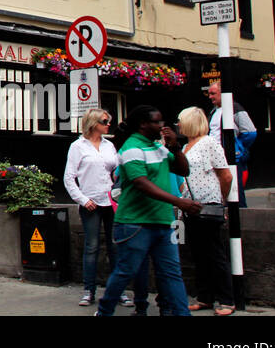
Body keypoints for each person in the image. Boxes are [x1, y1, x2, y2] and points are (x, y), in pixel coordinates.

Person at [95, 105, 201, 317]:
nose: (162, 126)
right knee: (126, 271)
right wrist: (179, 202)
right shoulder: (132, 148)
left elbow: (183, 169)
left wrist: (175, 147)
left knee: (172, 274)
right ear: (143, 124)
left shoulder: (159, 148)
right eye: (157, 121)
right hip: (135, 223)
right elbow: (141, 183)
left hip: (163, 222)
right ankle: (105, 310)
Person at [177, 105, 235, 315]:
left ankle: (227, 299)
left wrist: (222, 200)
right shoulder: (184, 147)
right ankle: (205, 297)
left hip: (208, 205)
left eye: (181, 120)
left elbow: (225, 175)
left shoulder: (210, 143)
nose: (178, 124)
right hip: (190, 207)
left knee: (214, 254)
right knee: (199, 255)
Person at [64, 108, 123, 307]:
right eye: (105, 121)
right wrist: (82, 199)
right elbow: (69, 178)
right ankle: (89, 290)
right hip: (91, 203)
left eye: (109, 121)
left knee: (115, 246)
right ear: (93, 123)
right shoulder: (77, 147)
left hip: (111, 201)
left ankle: (118, 290)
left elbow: (116, 170)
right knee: (92, 246)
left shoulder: (109, 145)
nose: (108, 125)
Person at [206, 81, 256, 206]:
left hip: (231, 158)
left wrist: (236, 147)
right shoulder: (213, 112)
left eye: (213, 93)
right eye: (209, 94)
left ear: (223, 93)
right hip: (215, 158)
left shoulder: (235, 108)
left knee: (236, 192)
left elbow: (250, 132)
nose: (210, 96)